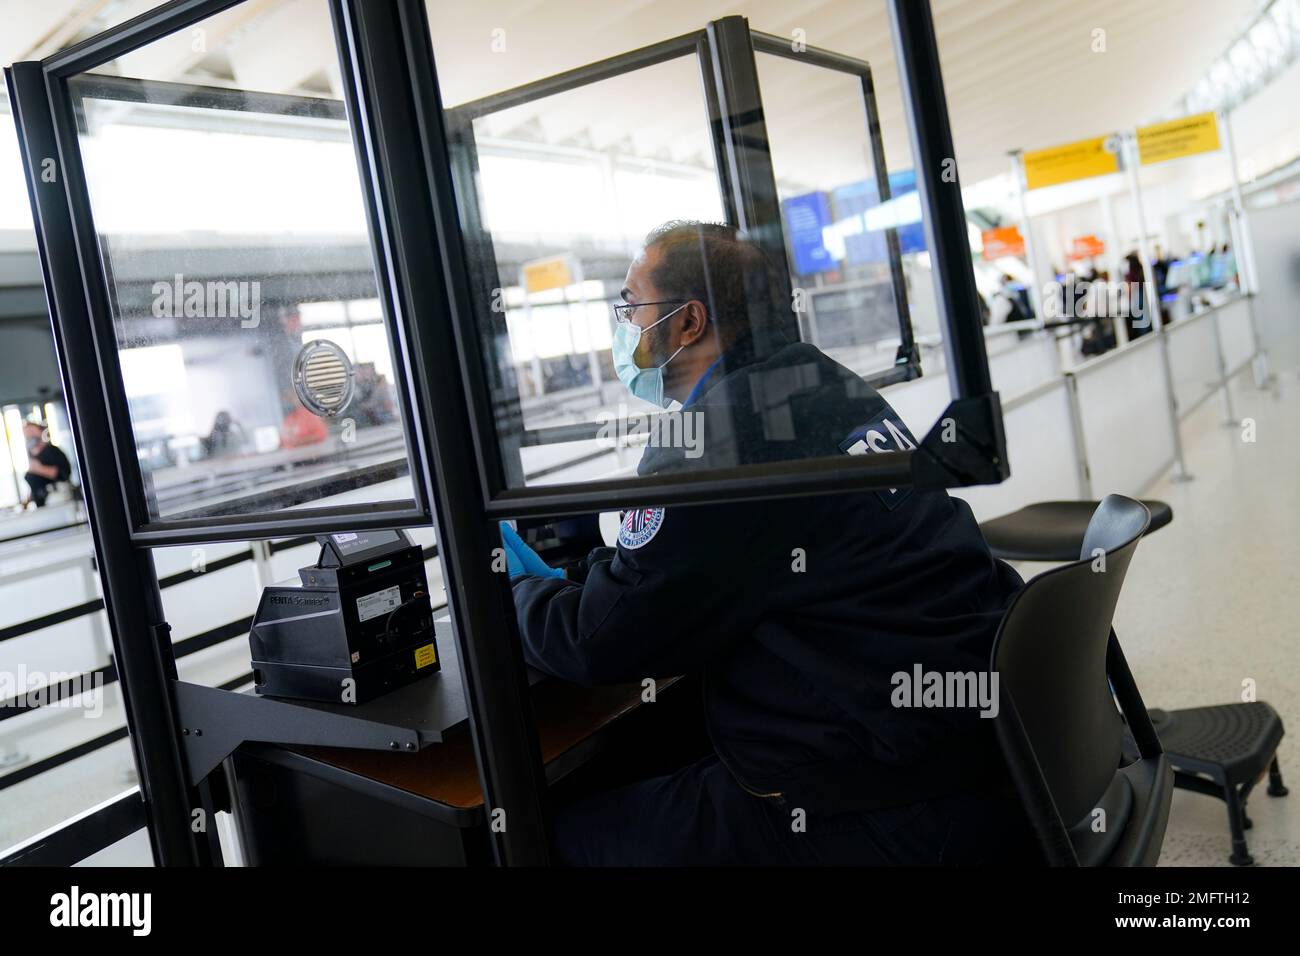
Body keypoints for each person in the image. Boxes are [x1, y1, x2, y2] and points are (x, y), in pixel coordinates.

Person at [498, 220, 1038, 866]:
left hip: (886, 806)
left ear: (687, 322)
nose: (622, 324)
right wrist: (588, 576)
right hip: (975, 754)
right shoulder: (821, 382)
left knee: (548, 841)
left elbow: (595, 640)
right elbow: (687, 564)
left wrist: (515, 590)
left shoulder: (712, 440)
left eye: (630, 304)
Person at [22, 420, 72, 507]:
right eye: (26, 434)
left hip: (58, 500)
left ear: (40, 431)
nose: (29, 436)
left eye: (31, 432)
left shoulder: (52, 451)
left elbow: (63, 474)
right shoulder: (33, 456)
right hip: (42, 504)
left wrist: (38, 468)